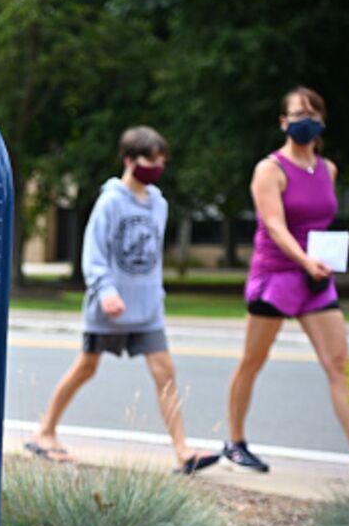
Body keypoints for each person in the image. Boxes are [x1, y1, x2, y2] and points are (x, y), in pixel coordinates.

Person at [26, 126, 220, 474]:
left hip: (147, 309)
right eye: (151, 159)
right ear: (129, 160)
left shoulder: (159, 203)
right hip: (109, 306)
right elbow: (93, 253)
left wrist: (156, 294)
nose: (157, 166)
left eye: (162, 161)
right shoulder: (110, 201)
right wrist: (106, 291)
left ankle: (183, 452)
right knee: (86, 368)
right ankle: (44, 432)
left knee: (165, 372)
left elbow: (154, 256)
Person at [223, 86, 349, 472]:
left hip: (316, 280)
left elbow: (321, 220)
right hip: (277, 275)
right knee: (253, 360)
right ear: (283, 122)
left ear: (323, 121)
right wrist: (304, 260)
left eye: (312, 115)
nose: (305, 122)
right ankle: (235, 442)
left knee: (339, 364)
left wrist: (321, 261)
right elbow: (275, 226)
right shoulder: (270, 169)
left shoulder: (328, 169)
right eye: (297, 115)